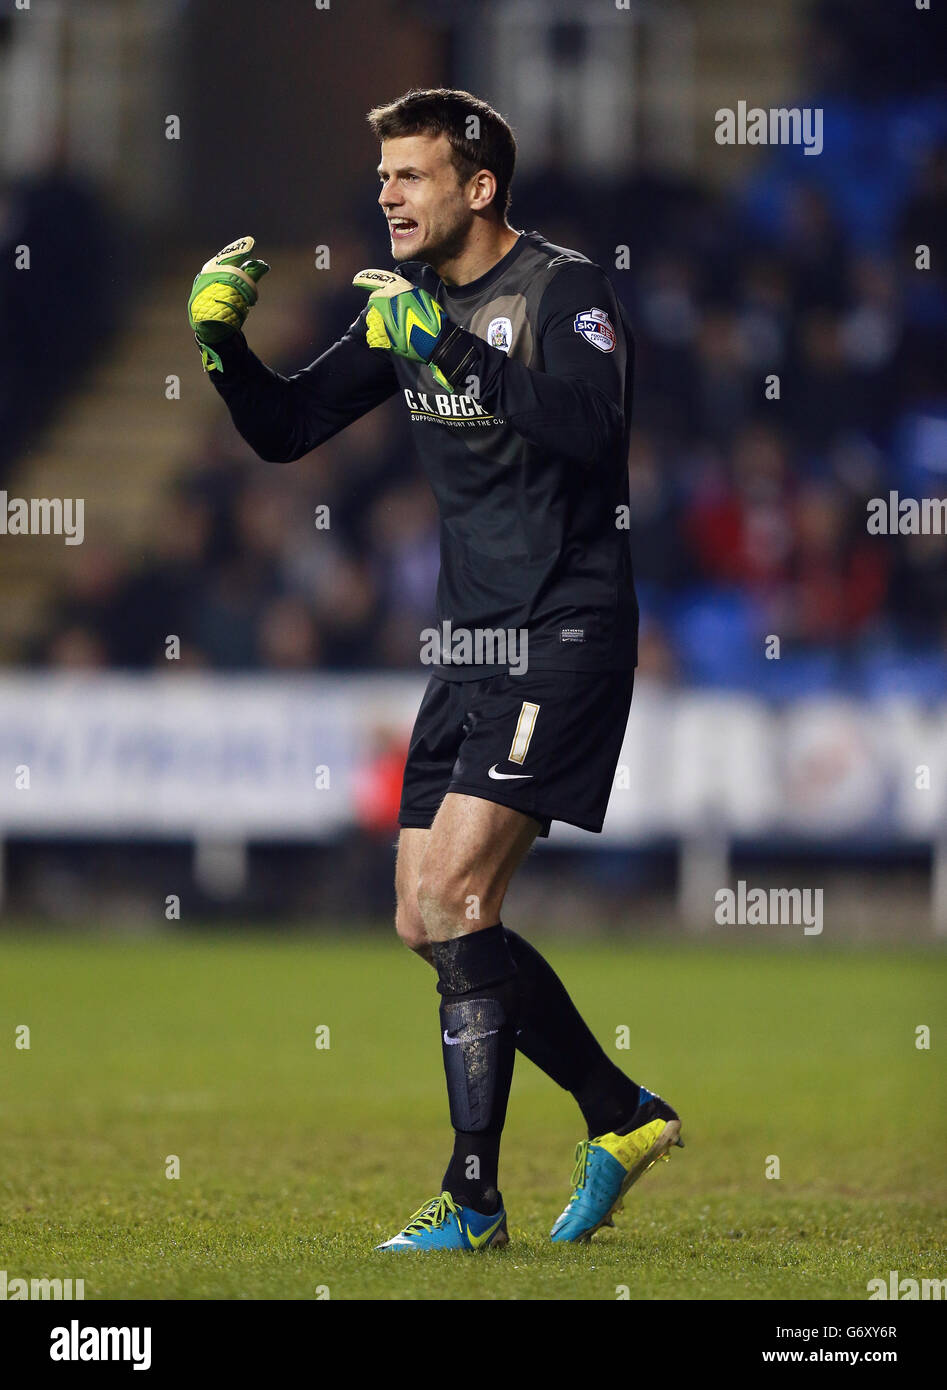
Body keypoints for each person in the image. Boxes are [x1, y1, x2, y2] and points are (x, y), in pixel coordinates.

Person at [188, 87, 682, 1251]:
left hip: (564, 628)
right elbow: (286, 427)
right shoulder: (398, 309)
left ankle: (471, 1199)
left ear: (477, 188)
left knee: (459, 894)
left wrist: (448, 347)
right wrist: (220, 347)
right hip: (468, 645)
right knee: (425, 912)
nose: (386, 197)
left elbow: (588, 428)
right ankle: (619, 1114)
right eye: (381, 180)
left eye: (407, 178)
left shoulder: (562, 290)